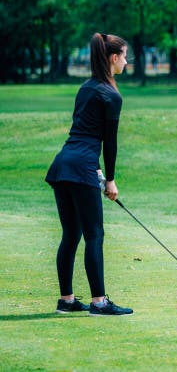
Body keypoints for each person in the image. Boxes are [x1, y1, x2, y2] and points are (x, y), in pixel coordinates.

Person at [45, 33, 134, 315]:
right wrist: (110, 179)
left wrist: (95, 168)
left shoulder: (85, 88)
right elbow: (110, 141)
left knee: (71, 234)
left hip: (63, 165)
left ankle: (67, 301)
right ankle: (99, 302)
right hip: (82, 167)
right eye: (124, 55)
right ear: (113, 57)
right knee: (94, 234)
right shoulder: (112, 94)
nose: (126, 61)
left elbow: (83, 132)